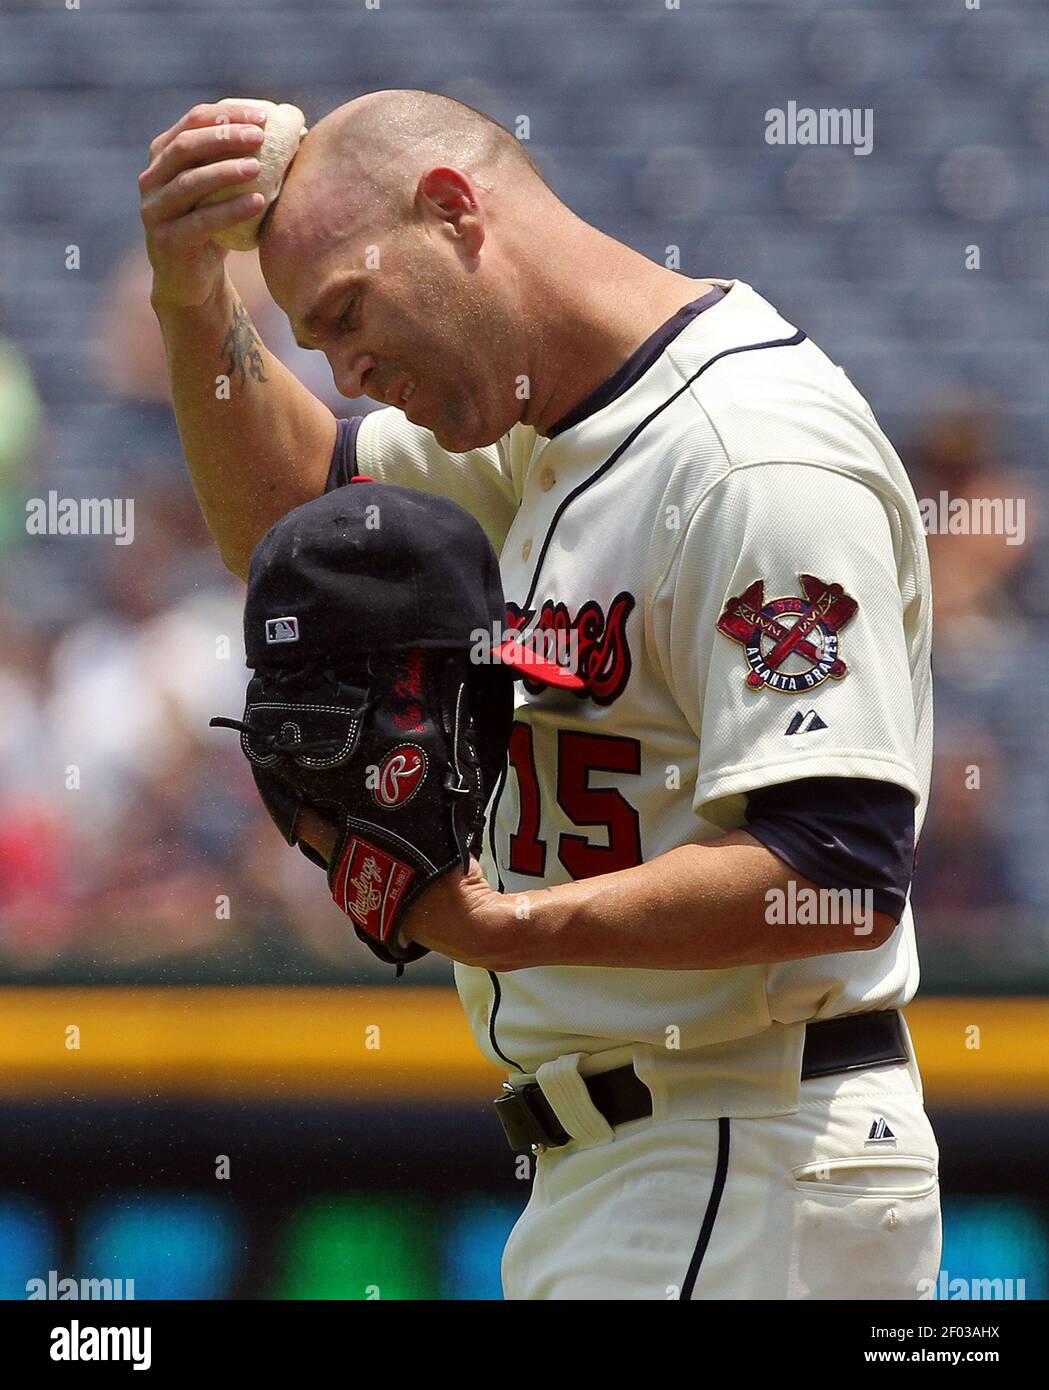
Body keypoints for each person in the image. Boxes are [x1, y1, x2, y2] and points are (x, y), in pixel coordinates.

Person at [140, 89, 940, 1300]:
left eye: (349, 313)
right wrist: (190, 292)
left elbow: (835, 876)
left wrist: (498, 927)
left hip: (746, 1148)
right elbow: (286, 515)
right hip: (643, 1167)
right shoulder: (523, 433)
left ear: (454, 210)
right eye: (317, 344)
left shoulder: (750, 458)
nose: (347, 367)